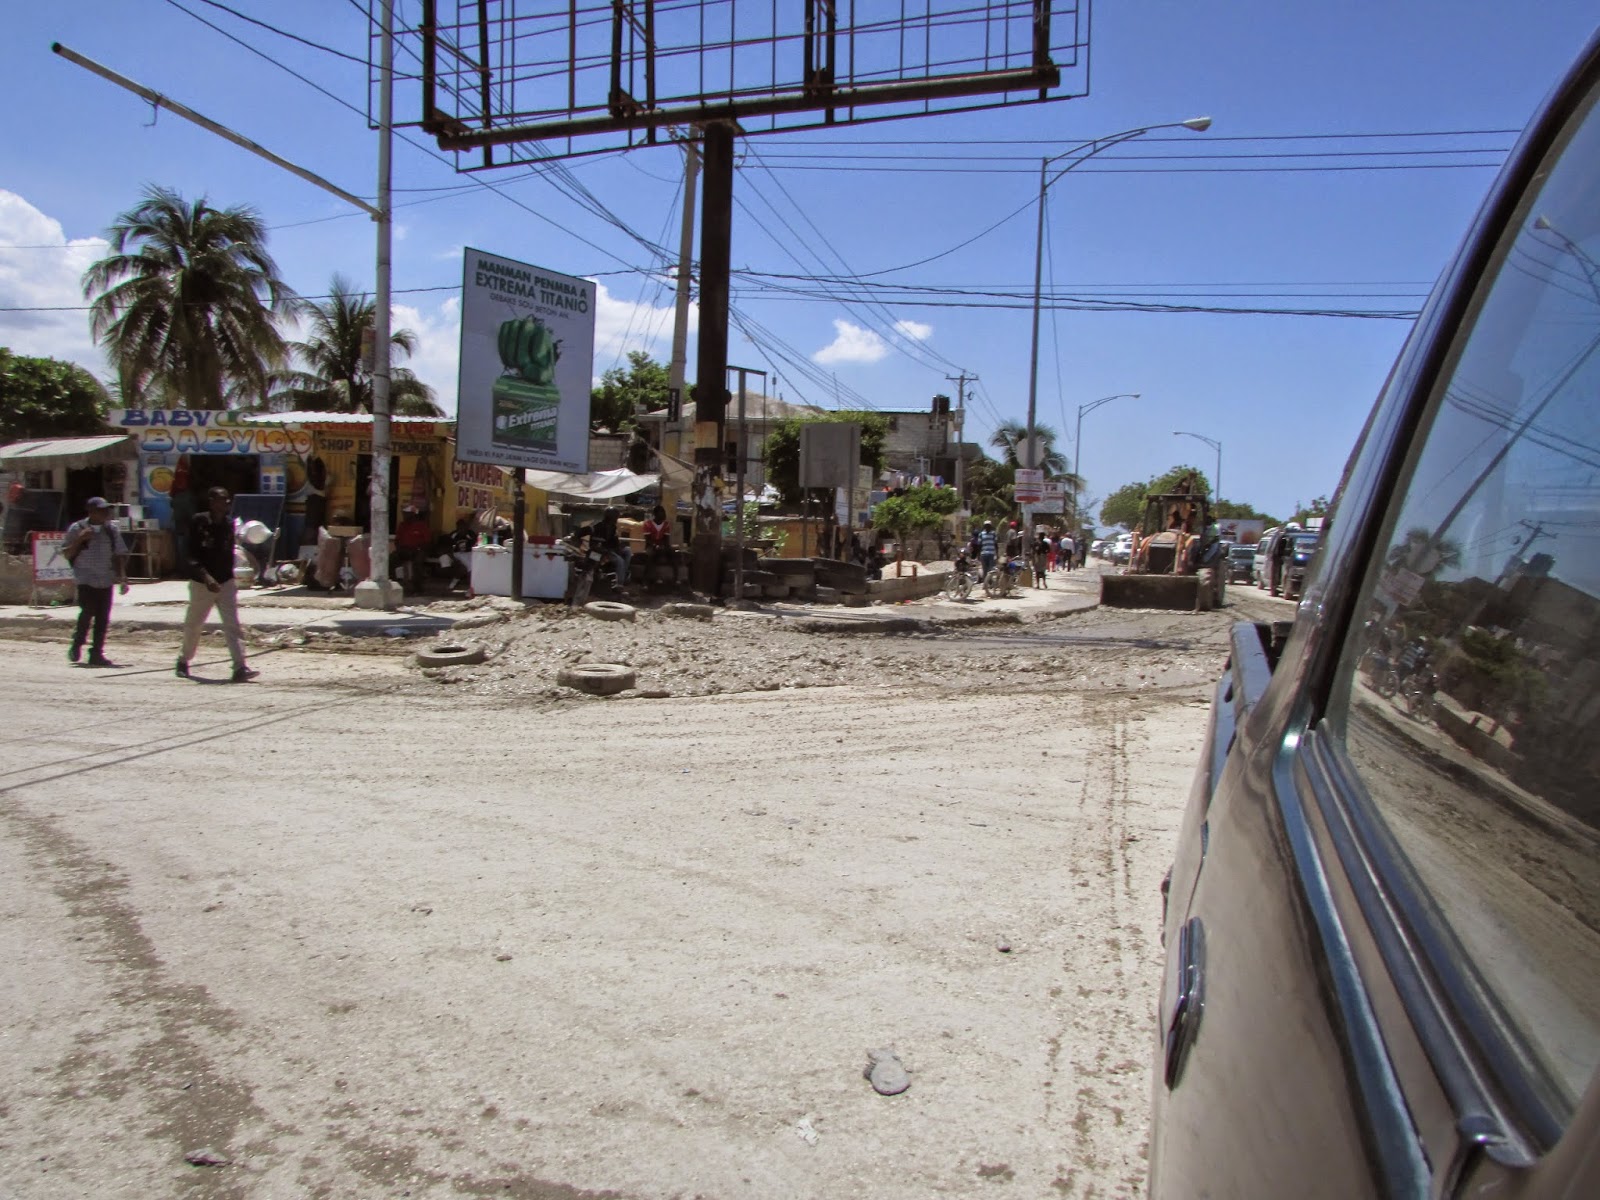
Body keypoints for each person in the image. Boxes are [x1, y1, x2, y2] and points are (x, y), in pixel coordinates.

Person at [176, 486, 258, 683]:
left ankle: (240, 667)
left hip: (225, 582)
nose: (226, 504)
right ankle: (183, 660)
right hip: (202, 583)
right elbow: (190, 554)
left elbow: (228, 553)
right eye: (222, 500)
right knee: (194, 624)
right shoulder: (199, 522)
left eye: (227, 500)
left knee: (233, 625)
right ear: (212, 502)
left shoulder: (229, 524)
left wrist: (229, 578)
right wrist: (206, 577)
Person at [63, 496, 129, 667]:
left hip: (105, 578)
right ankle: (77, 644)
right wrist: (80, 539)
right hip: (85, 577)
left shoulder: (111, 529)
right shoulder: (77, 528)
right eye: (101, 510)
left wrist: (122, 577)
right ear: (91, 512)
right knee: (87, 612)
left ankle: (96, 653)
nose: (105, 513)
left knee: (103, 618)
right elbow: (67, 554)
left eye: (106, 510)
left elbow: (120, 554)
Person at [393, 505, 432, 594]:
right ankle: (395, 585)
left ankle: (417, 588)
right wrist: (400, 549)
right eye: (404, 514)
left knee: (417, 563)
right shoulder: (402, 525)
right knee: (390, 560)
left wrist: (418, 550)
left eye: (407, 514)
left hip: (418, 550)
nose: (405, 516)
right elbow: (397, 541)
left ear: (413, 514)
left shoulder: (421, 526)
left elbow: (427, 542)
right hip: (404, 550)